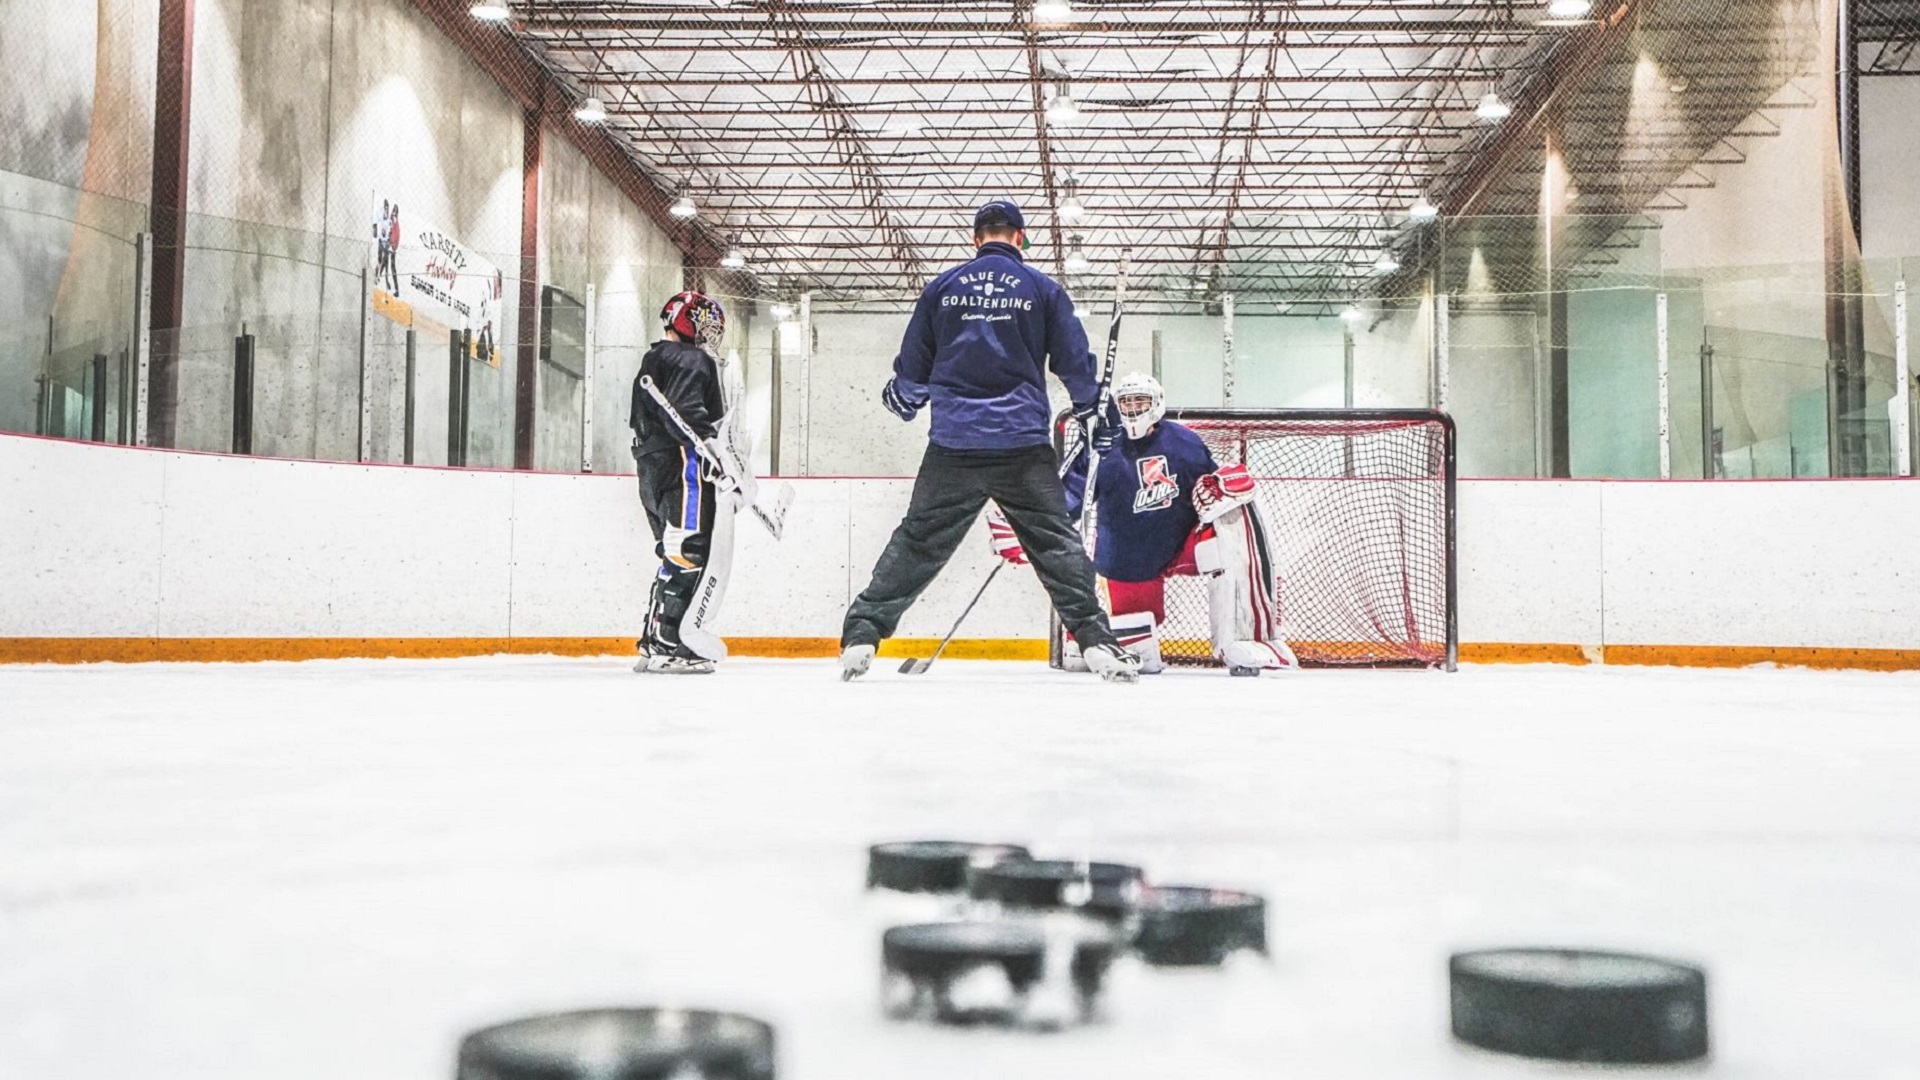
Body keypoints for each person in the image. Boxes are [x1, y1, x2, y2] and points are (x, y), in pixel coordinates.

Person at [838, 199, 1141, 683]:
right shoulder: (1043, 289)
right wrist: (1094, 412)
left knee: (918, 542)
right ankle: (1097, 642)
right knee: (1057, 545)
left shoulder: (943, 287)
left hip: (954, 445)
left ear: (976, 238)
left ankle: (862, 634)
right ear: (1020, 237)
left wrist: (905, 396)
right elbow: (1074, 363)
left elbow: (915, 365)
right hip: (1020, 444)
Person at [995, 372, 1297, 676]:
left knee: (1234, 528)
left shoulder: (1185, 443)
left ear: (1157, 403)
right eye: (1126, 402)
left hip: (1182, 544)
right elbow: (1069, 498)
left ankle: (1247, 640)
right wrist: (1028, 525)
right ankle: (1086, 641)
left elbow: (1214, 488)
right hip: (1128, 559)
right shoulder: (1102, 446)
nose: (1134, 408)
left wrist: (1224, 488)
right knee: (1142, 657)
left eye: (1141, 400)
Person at [629, 290, 737, 675]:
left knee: (673, 551)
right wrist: (717, 450)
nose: (709, 335)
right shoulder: (691, 358)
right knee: (689, 550)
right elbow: (687, 412)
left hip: (653, 466)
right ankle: (672, 644)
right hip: (683, 464)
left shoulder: (659, 357)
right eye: (704, 325)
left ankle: (656, 641)